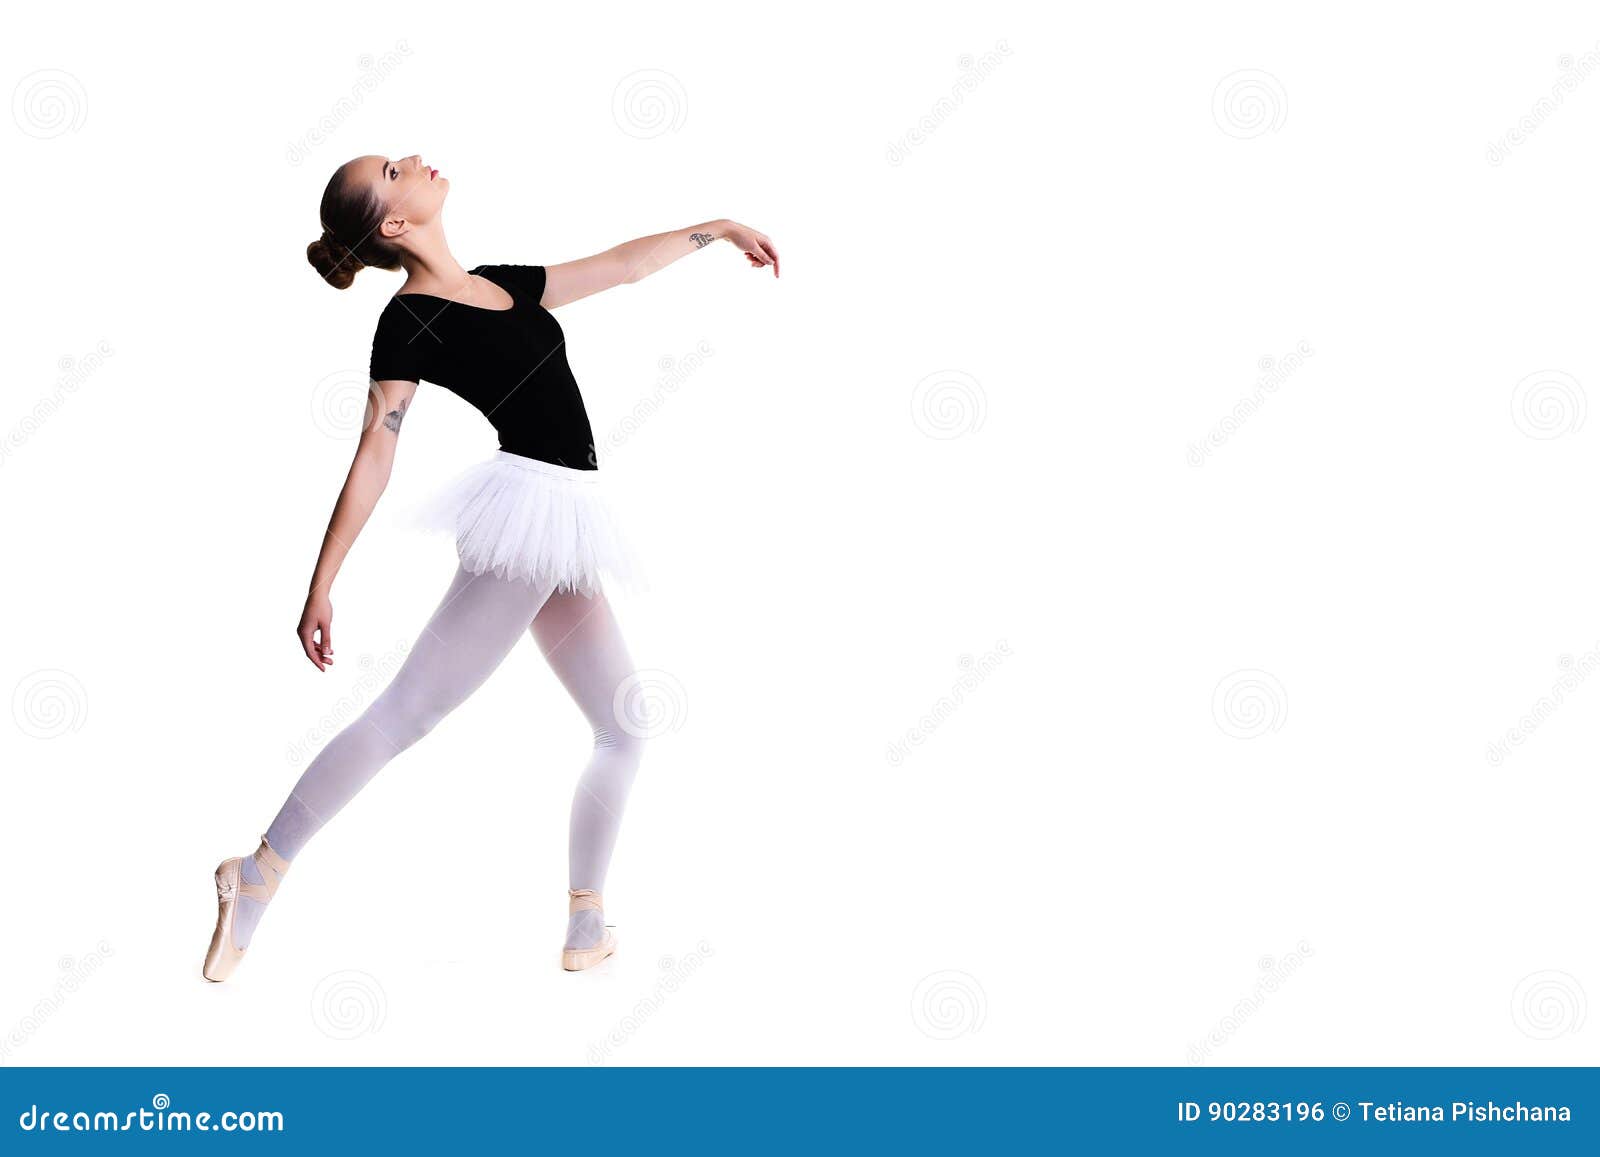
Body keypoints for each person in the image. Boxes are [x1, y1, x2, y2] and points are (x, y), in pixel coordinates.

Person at [202, 152, 779, 981]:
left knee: (625, 723)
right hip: (528, 511)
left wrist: (715, 230)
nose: (417, 160)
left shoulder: (505, 281)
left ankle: (587, 919)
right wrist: (321, 582)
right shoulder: (409, 319)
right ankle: (256, 872)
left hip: (567, 521)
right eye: (398, 169)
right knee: (407, 713)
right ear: (394, 223)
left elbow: (620, 267)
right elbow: (376, 449)